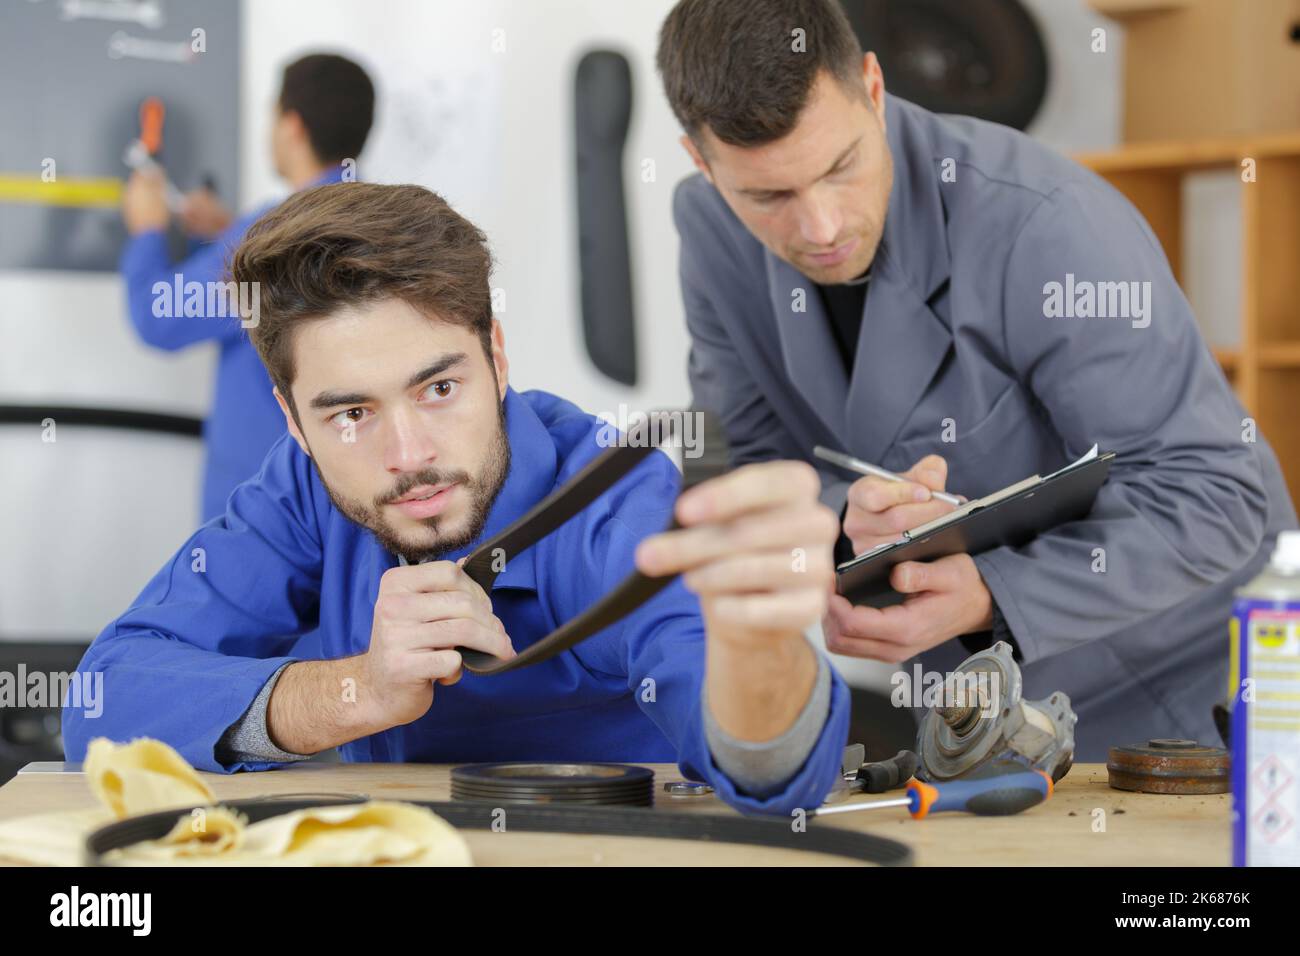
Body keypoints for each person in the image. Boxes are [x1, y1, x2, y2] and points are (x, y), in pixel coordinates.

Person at [63, 183, 850, 816]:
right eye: (351, 413)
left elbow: (777, 775)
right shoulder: (302, 489)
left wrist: (763, 653)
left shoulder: (611, 502)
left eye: (440, 387)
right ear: (293, 424)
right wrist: (352, 694)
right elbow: (101, 702)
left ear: (497, 358)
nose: (410, 457)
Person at [655, 0, 1296, 755]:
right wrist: (841, 522)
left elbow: (1219, 498)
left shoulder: (1046, 223)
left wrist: (993, 591)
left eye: (840, 167)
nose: (822, 229)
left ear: (873, 87)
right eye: (768, 197)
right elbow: (742, 472)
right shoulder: (708, 229)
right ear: (701, 160)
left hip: (1203, 688)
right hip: (984, 715)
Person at [120, 53, 375, 519]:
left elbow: (156, 318)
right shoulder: (376, 221)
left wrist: (147, 230)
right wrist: (229, 233)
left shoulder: (269, 238)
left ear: (292, 126)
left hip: (266, 517)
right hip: (346, 501)